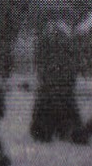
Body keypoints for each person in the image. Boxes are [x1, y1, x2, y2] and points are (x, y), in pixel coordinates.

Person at [29, 14, 81, 143]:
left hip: (53, 80)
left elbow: (40, 59)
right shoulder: (64, 37)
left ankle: (46, 132)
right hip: (58, 80)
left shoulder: (47, 38)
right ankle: (62, 132)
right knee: (63, 106)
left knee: (49, 106)